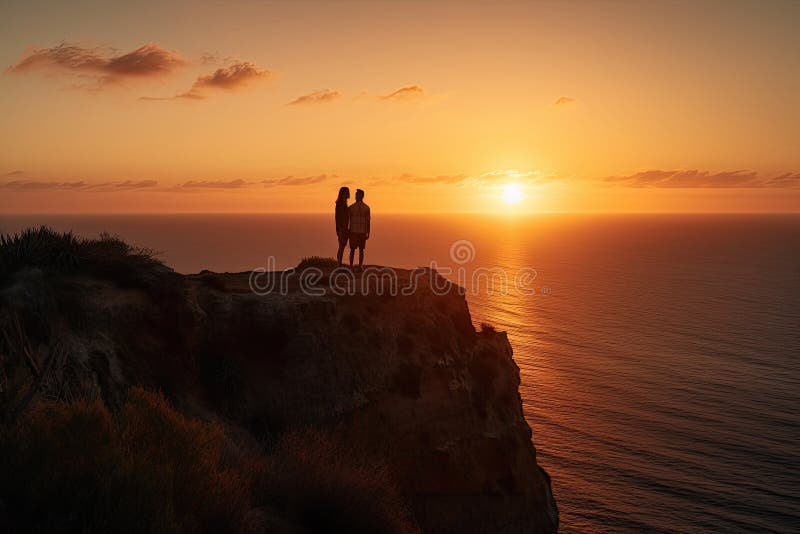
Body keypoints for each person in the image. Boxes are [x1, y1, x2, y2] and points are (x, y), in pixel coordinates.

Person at [348, 189, 370, 269]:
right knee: (356, 250)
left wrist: (368, 232)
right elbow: (368, 221)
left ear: (361, 196)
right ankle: (357, 265)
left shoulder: (351, 208)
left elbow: (368, 221)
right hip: (357, 231)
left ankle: (354, 265)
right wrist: (368, 232)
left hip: (357, 231)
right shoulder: (366, 208)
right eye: (356, 194)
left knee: (357, 250)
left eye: (357, 194)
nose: (356, 196)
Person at [334, 186, 350, 266]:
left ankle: (339, 262)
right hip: (342, 227)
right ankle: (339, 263)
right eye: (347, 192)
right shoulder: (340, 203)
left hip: (344, 227)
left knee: (342, 246)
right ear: (344, 193)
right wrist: (338, 228)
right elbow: (337, 217)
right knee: (341, 246)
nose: (349, 193)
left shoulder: (343, 203)